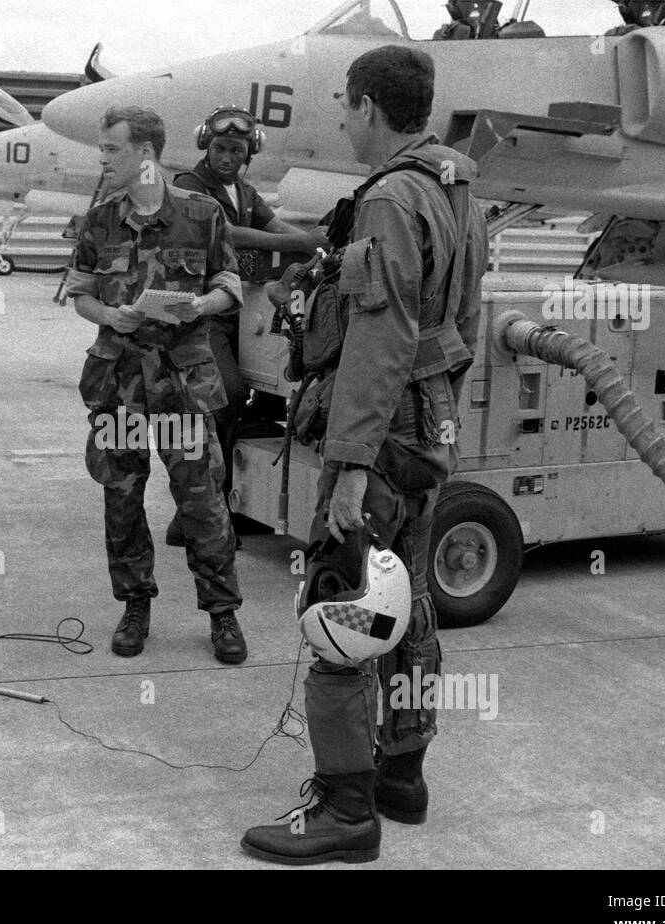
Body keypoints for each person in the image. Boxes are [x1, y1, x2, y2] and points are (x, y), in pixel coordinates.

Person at [241, 46, 488, 864]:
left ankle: (347, 808)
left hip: (379, 435)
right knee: (407, 595)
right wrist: (437, 416)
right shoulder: (459, 187)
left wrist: (349, 463)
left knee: (342, 601)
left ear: (371, 108)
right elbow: (466, 322)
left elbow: (380, 338)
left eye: (347, 107)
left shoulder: (388, 199)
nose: (344, 121)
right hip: (431, 425)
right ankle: (403, 774)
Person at [66, 106, 248, 664]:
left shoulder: (201, 212)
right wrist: (109, 315)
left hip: (181, 382)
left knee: (201, 500)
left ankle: (222, 613)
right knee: (121, 497)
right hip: (118, 379)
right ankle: (135, 603)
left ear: (145, 154)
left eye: (111, 149)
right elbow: (80, 294)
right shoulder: (99, 220)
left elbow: (229, 282)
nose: (103, 157)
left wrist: (204, 303)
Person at [171, 106, 325, 547]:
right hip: (203, 314)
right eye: (219, 148)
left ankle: (211, 509)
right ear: (207, 145)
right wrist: (299, 241)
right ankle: (199, 514)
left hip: (236, 313)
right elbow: (227, 236)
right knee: (228, 397)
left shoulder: (242, 191)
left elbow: (273, 223)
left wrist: (317, 239)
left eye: (235, 150)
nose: (226, 156)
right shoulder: (189, 186)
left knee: (261, 399)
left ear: (248, 154)